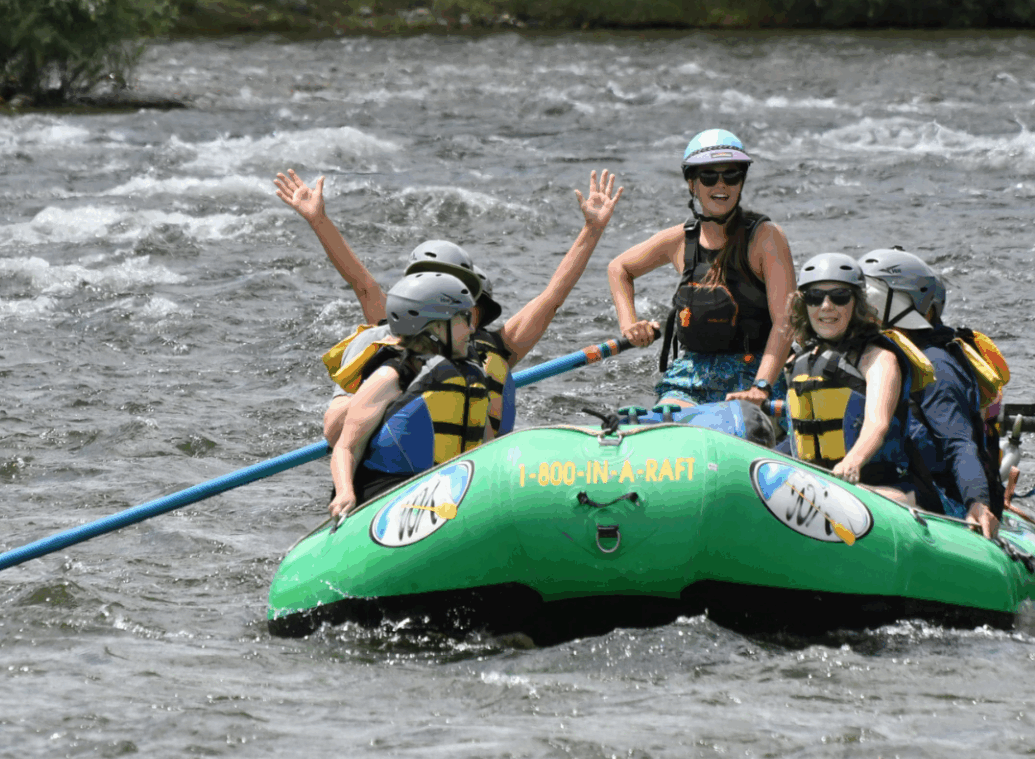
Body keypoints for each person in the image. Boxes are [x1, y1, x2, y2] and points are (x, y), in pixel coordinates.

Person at [273, 167, 624, 440]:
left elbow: (551, 299)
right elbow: (363, 285)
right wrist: (318, 220)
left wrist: (591, 231)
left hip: (475, 473)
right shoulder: (394, 336)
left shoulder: (498, 347)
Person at [607, 129, 795, 408]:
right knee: (665, 428)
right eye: (709, 177)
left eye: (731, 175)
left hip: (754, 375)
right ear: (692, 184)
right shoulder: (679, 240)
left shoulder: (766, 238)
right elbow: (619, 268)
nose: (721, 185)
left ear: (741, 182)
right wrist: (629, 324)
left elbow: (786, 322)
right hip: (691, 376)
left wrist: (761, 387)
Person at [858, 248, 1011, 538]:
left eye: (873, 299)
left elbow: (958, 443)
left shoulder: (936, 367)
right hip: (898, 482)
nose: (863, 311)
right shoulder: (869, 358)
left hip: (942, 501)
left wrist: (976, 502)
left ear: (918, 308)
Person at [782, 253, 935, 507]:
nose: (826, 306)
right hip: (816, 482)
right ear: (804, 305)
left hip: (880, 485)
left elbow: (877, 423)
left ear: (857, 303)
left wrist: (853, 461)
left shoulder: (879, 359)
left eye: (839, 297)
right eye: (815, 297)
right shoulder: (797, 362)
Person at [329, 272, 483, 518]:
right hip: (384, 503)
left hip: (440, 500)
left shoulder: (469, 375)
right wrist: (345, 492)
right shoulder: (389, 378)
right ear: (433, 326)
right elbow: (346, 447)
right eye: (464, 318)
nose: (472, 328)